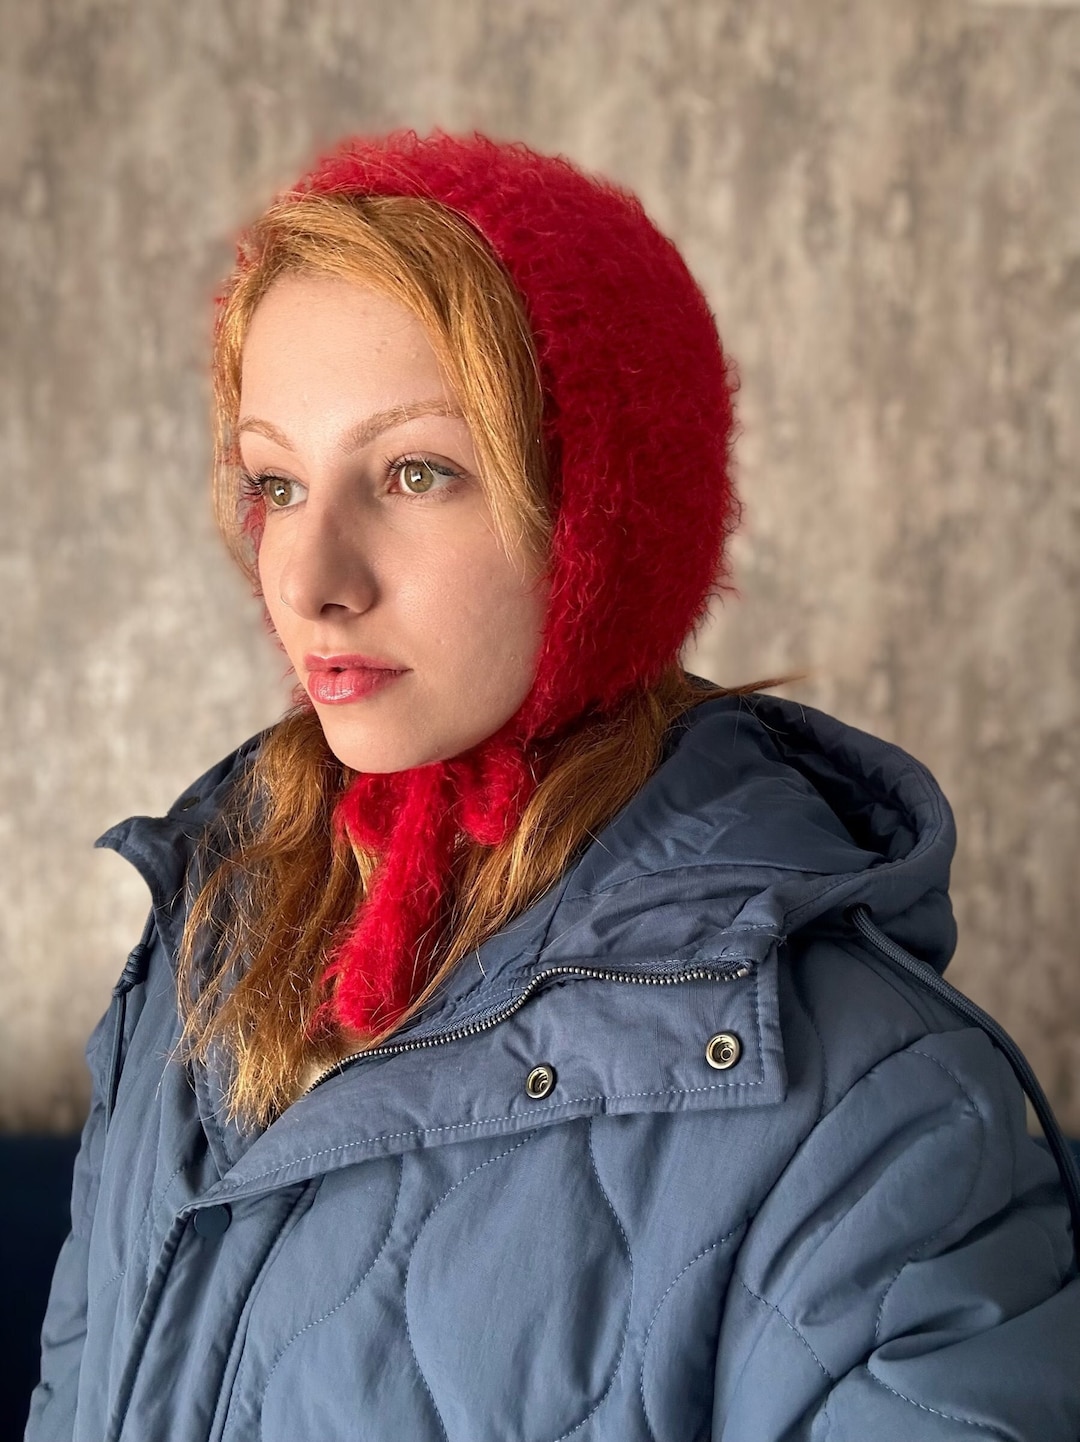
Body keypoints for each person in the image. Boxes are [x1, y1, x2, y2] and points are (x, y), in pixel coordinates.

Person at [26, 130, 1080, 1442]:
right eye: (277, 483)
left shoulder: (873, 1107)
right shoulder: (209, 924)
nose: (309, 579)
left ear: (603, 511)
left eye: (417, 472)